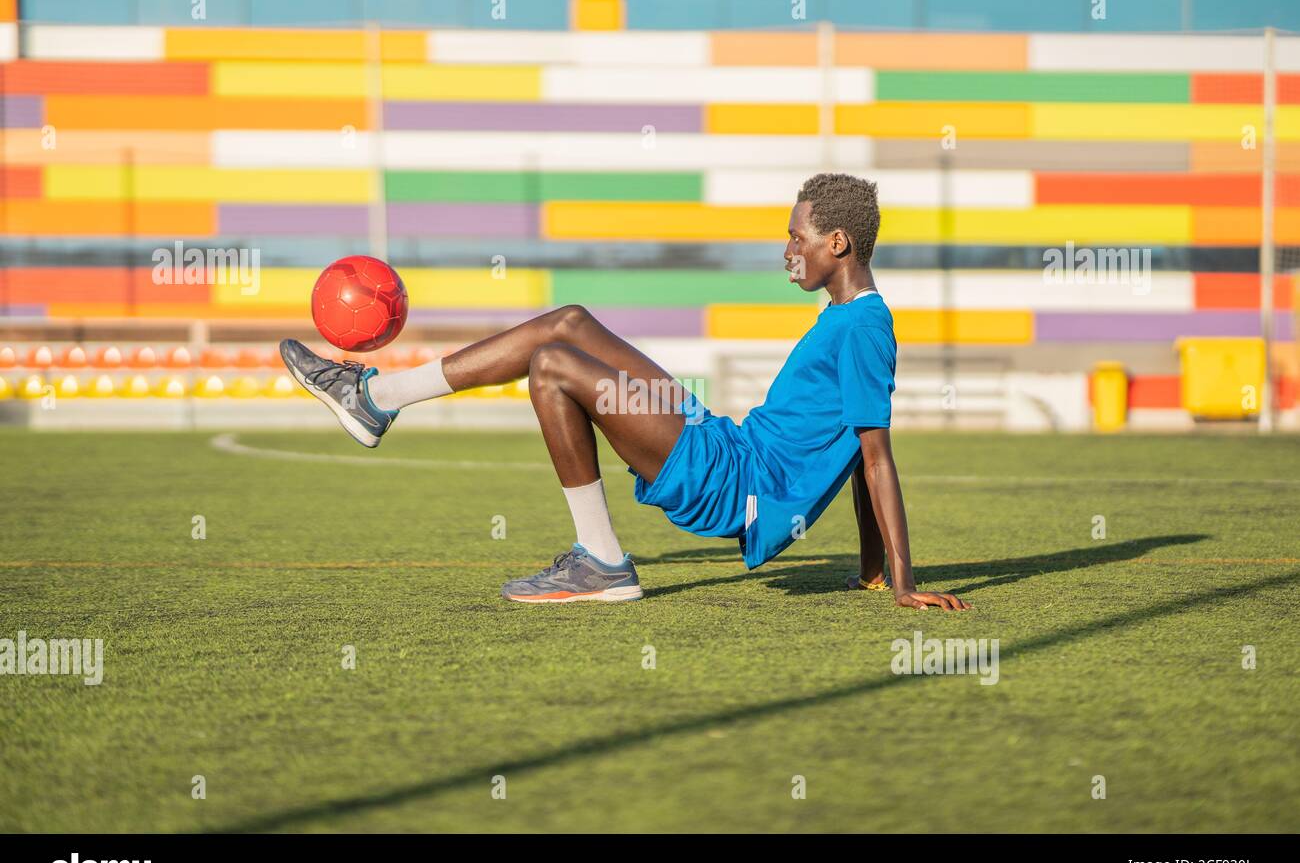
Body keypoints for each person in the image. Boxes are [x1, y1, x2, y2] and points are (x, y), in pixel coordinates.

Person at [279, 173, 970, 611]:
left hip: (734, 481)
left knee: (553, 364)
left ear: (839, 243)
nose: (787, 249)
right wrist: (872, 573)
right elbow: (855, 448)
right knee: (570, 323)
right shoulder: (847, 318)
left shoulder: (865, 327)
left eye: (797, 237)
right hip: (722, 442)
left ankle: (603, 562)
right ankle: (377, 399)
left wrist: (900, 581)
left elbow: (874, 455)